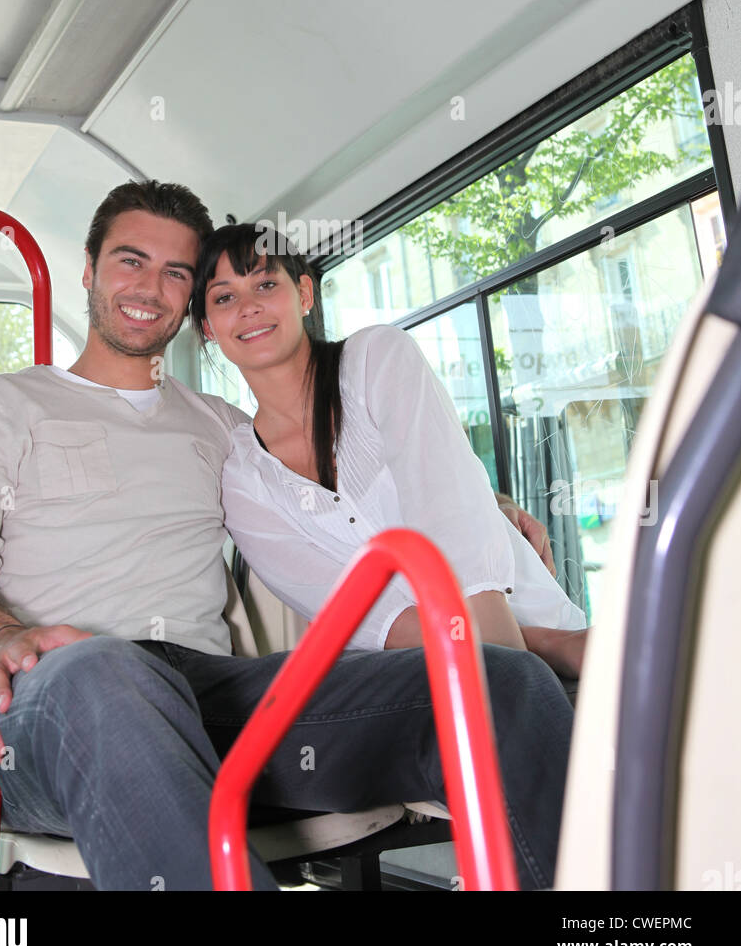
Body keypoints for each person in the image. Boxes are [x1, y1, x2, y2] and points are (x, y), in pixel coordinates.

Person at [0, 180, 574, 891]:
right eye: (131, 261)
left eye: (176, 274)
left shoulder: (220, 426)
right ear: (89, 269)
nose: (150, 288)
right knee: (105, 671)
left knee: (495, 679)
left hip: (214, 699)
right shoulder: (5, 402)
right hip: (57, 694)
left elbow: (317, 478)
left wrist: (487, 500)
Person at [190, 223, 588, 678]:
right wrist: (541, 650)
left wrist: (517, 661)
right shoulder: (243, 482)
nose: (248, 308)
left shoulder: (377, 359)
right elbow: (358, 612)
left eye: (265, 284)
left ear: (303, 293)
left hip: (549, 650)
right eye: (224, 298)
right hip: (437, 680)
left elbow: (452, 519)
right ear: (207, 328)